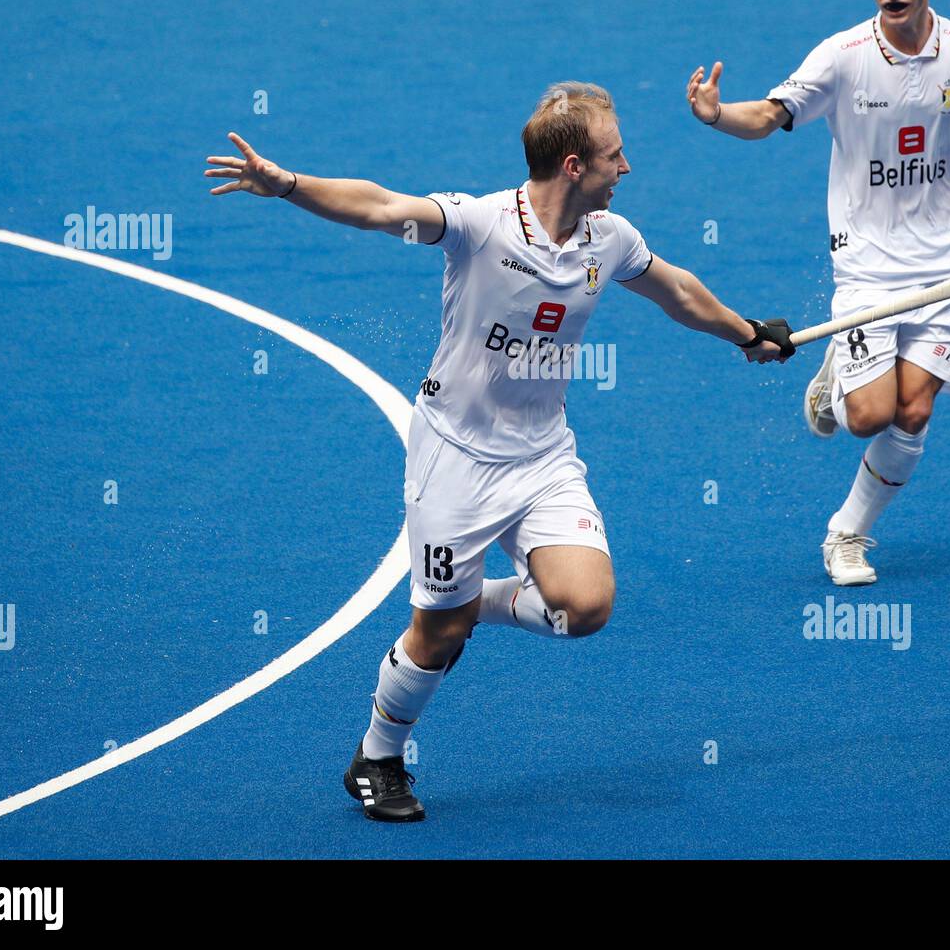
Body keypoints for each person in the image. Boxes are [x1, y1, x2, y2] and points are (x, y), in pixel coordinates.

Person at [205, 82, 796, 820]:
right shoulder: (481, 223)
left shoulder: (607, 239)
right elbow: (381, 206)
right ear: (575, 165)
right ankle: (378, 756)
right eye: (617, 156)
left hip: (544, 457)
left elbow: (676, 290)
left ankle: (469, 605)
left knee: (585, 606)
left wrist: (746, 332)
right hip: (455, 457)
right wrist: (286, 184)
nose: (629, 167)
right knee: (434, 634)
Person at [686, 0, 950, 587]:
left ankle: (847, 534)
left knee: (914, 412)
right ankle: (841, 375)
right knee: (868, 417)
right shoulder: (841, 56)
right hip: (867, 261)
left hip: (947, 261)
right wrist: (718, 113)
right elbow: (770, 116)